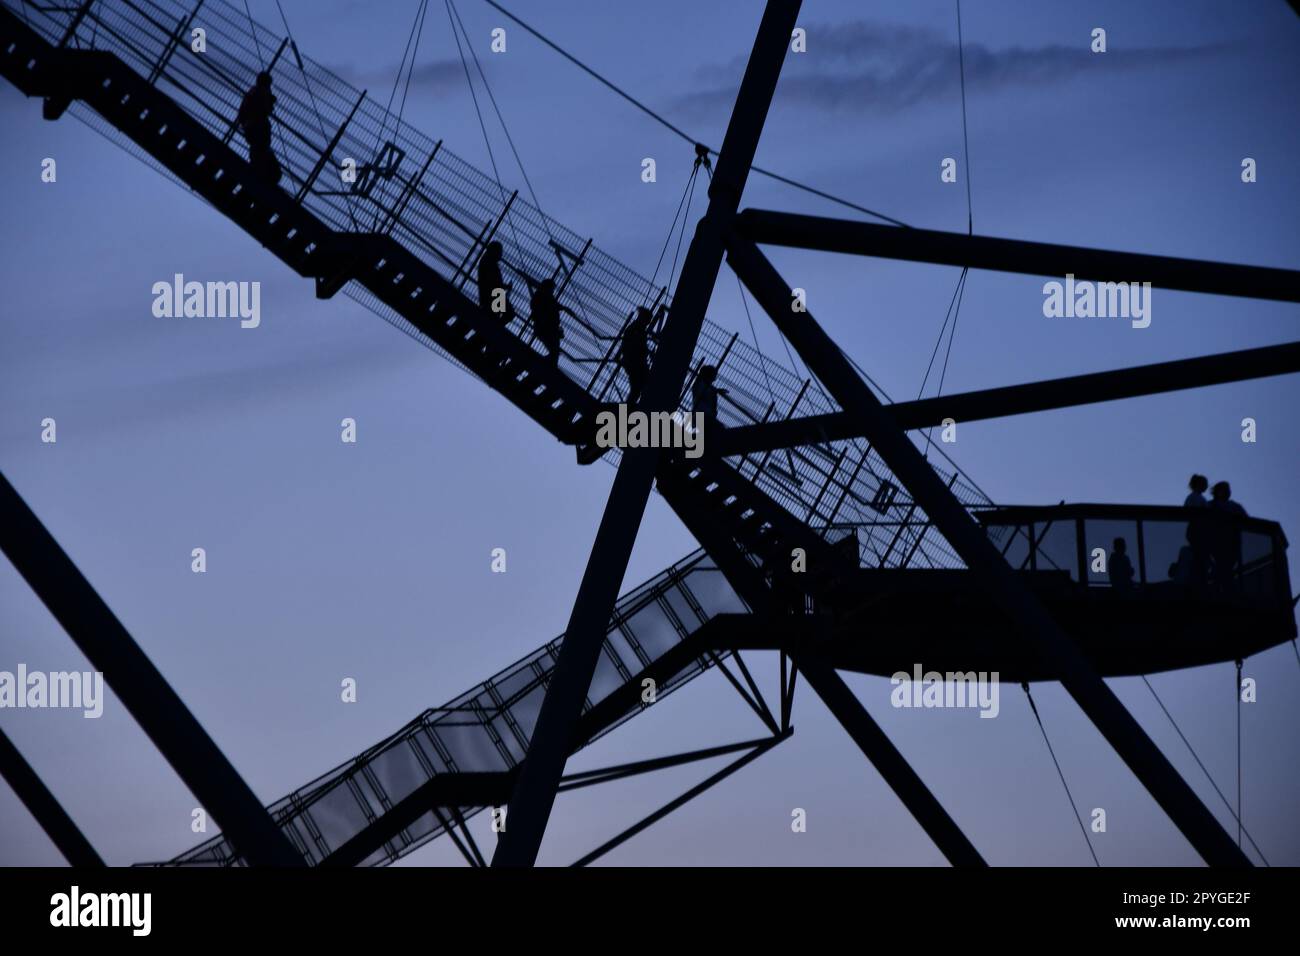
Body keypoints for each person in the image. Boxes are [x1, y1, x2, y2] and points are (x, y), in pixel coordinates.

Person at [237, 71, 281, 186]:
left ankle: (258, 174)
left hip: (252, 130)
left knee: (259, 154)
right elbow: (262, 108)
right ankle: (260, 177)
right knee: (264, 159)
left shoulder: (254, 93)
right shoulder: (259, 94)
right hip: (256, 130)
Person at [1208, 480, 1247, 591]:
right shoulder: (1210, 505)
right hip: (1217, 544)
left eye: (1228, 490)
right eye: (1226, 490)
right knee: (1221, 568)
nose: (1228, 492)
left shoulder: (1234, 506)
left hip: (1231, 544)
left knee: (1225, 569)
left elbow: (1246, 521)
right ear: (1219, 492)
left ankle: (1224, 588)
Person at [618, 306, 655, 406]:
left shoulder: (637, 329)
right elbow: (637, 345)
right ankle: (629, 409)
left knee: (639, 387)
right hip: (634, 362)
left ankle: (630, 408)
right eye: (647, 320)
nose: (648, 322)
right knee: (638, 387)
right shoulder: (636, 329)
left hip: (635, 362)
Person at [528, 278, 565, 366]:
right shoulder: (541, 297)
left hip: (548, 328)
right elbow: (549, 307)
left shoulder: (544, 297)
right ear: (547, 288)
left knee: (554, 351)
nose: (552, 291)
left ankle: (546, 367)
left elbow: (554, 305)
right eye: (552, 289)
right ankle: (543, 367)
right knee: (554, 351)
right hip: (545, 328)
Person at [476, 241, 513, 326]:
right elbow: (493, 281)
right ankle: (496, 328)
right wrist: (504, 287)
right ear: (494, 250)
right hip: (493, 295)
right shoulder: (489, 262)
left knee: (495, 316)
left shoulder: (487, 261)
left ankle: (494, 327)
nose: (501, 254)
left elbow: (492, 281)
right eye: (500, 251)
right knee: (508, 313)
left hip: (490, 296)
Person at [1183, 473, 1210, 585]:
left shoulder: (1197, 498)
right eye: (1204, 484)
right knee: (1199, 555)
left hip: (1198, 529)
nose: (1206, 486)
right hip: (1196, 529)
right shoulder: (1194, 498)